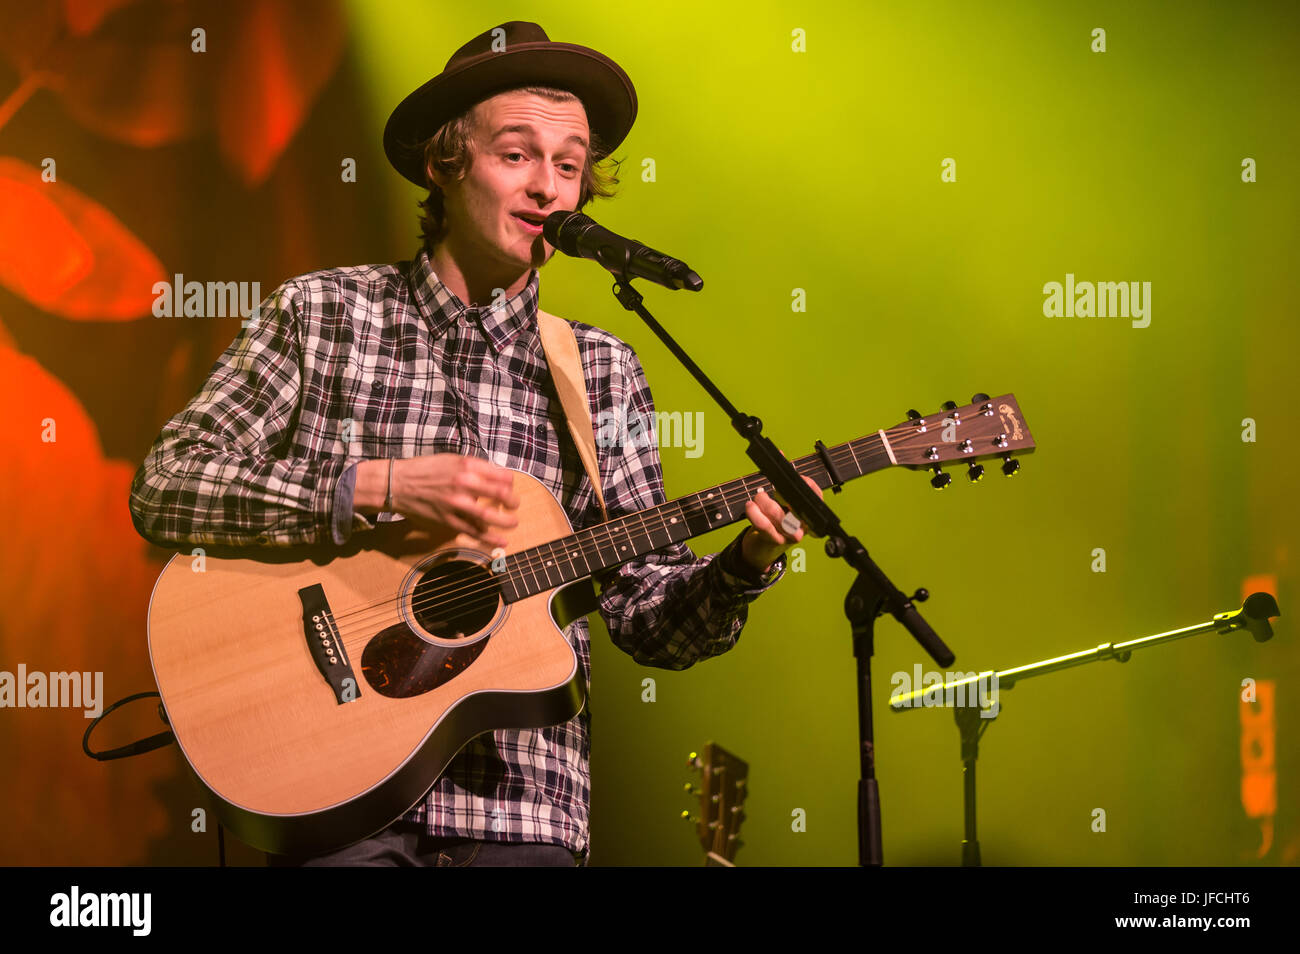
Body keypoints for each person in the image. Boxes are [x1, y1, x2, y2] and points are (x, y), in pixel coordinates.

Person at [129, 21, 818, 867]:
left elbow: (649, 624)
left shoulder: (600, 368)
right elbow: (166, 485)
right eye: (518, 155)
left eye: (569, 166)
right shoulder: (325, 315)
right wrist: (371, 487)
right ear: (442, 165)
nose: (549, 189)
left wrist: (745, 562)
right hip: (336, 802)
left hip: (524, 820)